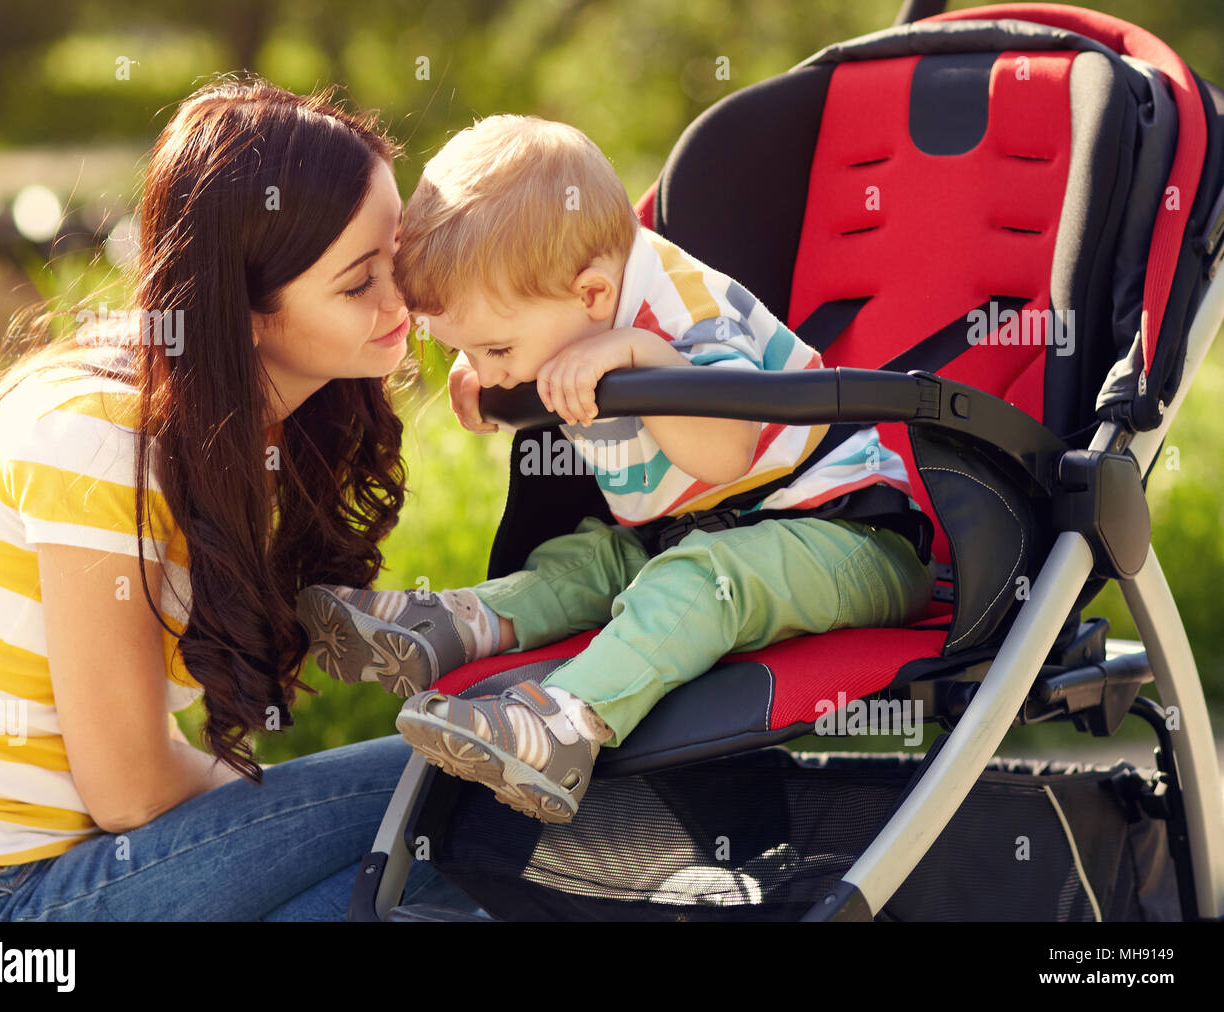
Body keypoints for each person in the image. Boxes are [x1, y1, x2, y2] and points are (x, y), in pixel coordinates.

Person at [0, 76, 477, 921]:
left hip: (95, 868)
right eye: (359, 283)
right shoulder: (102, 432)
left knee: (407, 884)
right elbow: (133, 791)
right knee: (461, 785)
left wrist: (517, 361)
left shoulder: (226, 409)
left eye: (398, 255)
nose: (402, 300)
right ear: (247, 310)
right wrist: (269, 811)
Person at [295, 114, 935, 826]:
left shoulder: (689, 317)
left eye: (496, 349)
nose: (484, 368)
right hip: (708, 526)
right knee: (589, 559)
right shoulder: (567, 297)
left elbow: (726, 456)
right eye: (466, 351)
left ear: (595, 295)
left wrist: (644, 359)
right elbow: (546, 360)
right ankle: (468, 624)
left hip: (850, 542)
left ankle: (567, 725)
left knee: (696, 581)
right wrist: (499, 384)